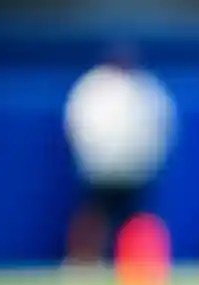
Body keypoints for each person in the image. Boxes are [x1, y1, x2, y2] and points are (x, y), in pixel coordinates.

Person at [63, 47, 175, 265]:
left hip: (136, 169)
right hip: (100, 168)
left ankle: (137, 265)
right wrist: (94, 156)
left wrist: (149, 160)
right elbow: (78, 124)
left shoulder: (146, 88)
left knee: (136, 220)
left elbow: (162, 125)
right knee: (94, 216)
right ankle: (84, 261)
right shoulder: (93, 87)